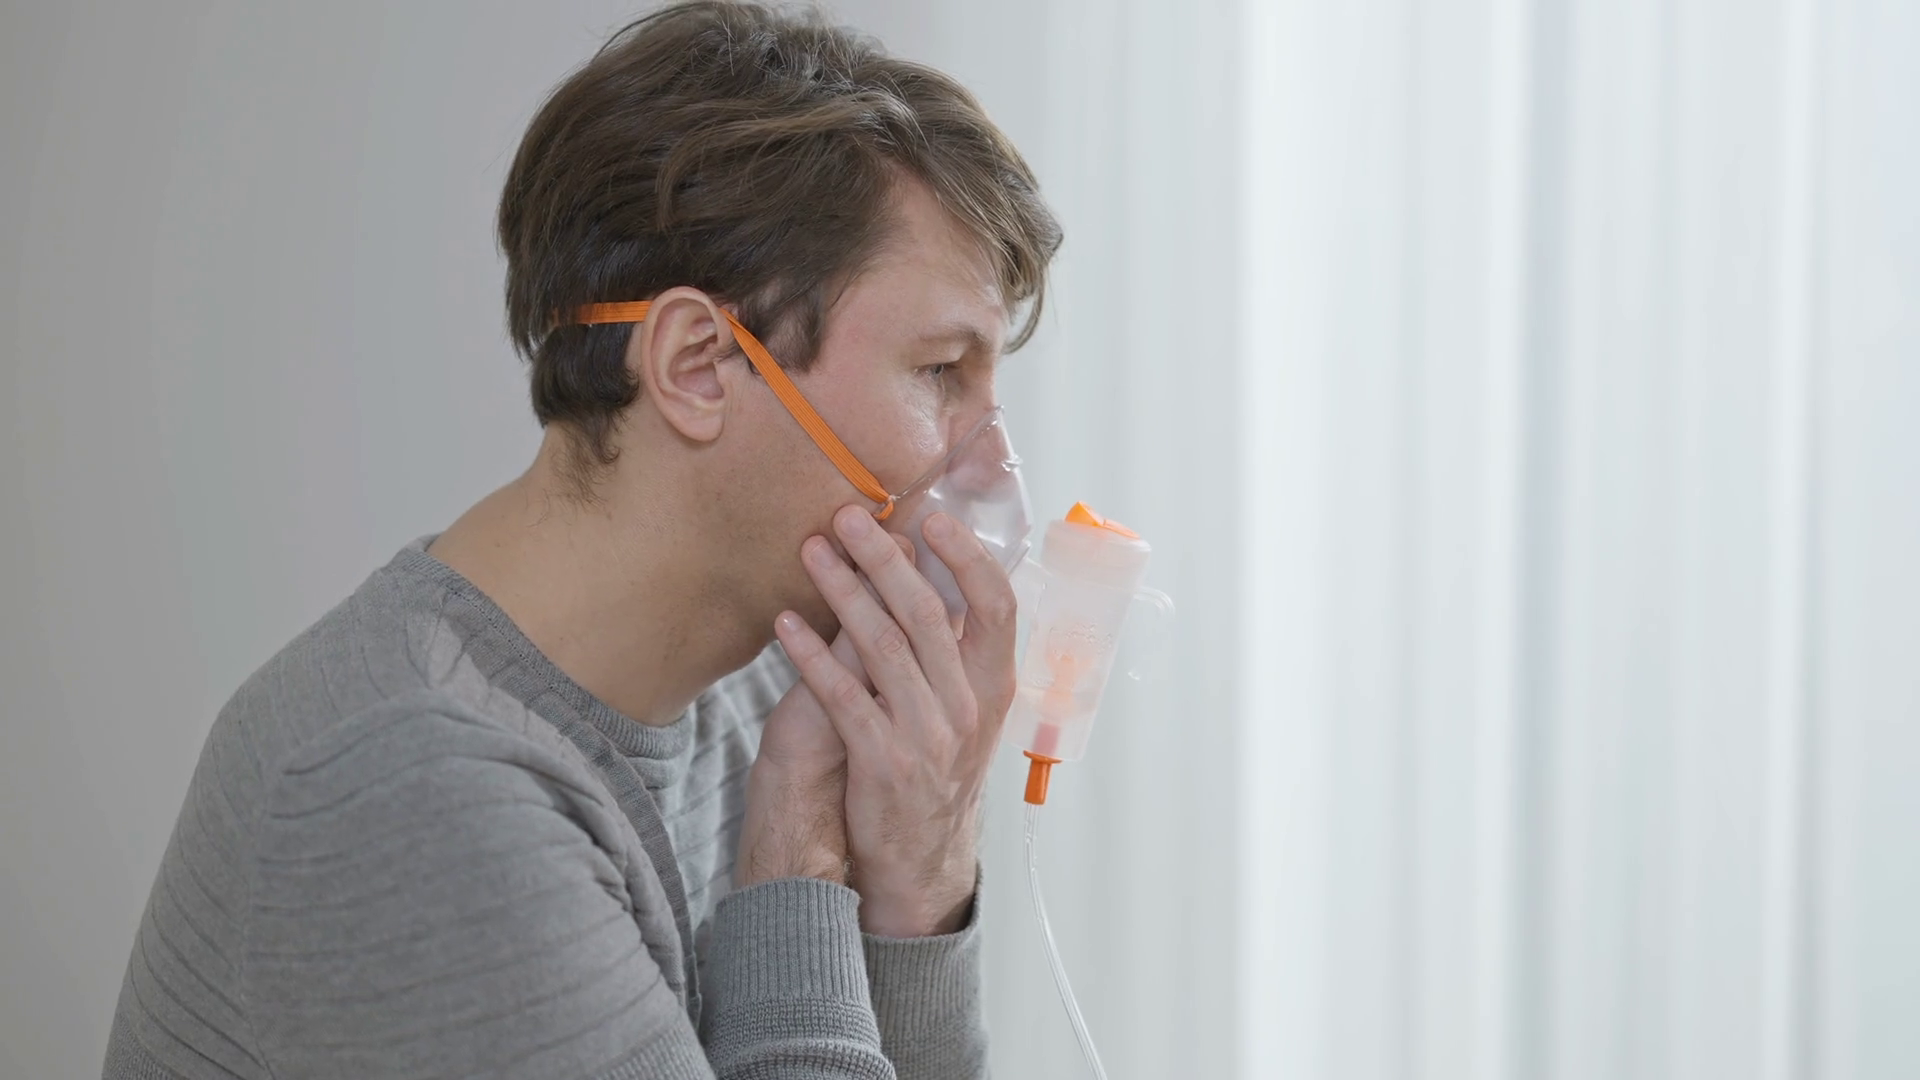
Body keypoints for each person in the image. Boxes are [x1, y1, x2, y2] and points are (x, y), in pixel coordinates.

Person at [101, 3, 1062, 1077]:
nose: (988, 457)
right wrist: (797, 873)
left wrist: (918, 888)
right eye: (941, 372)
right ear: (699, 365)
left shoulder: (765, 697)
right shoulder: (418, 795)